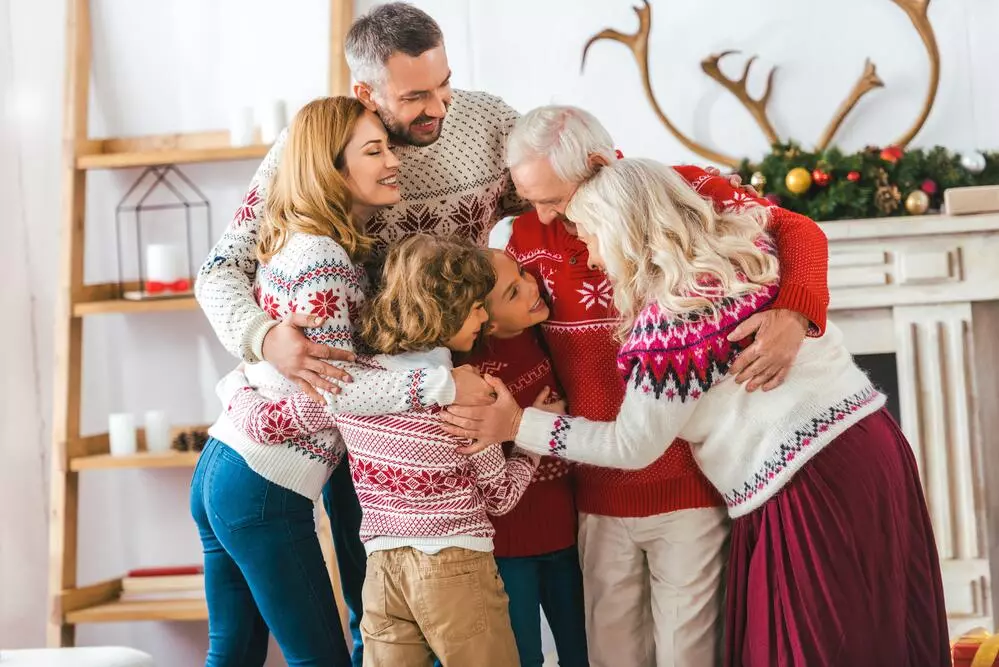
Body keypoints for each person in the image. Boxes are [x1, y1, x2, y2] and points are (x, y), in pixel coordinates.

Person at [446, 157, 950, 667]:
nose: (590, 255)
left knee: (819, 646)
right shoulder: (745, 248)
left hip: (803, 482)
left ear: (624, 231)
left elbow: (631, 445)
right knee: (881, 628)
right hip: (872, 443)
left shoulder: (672, 326)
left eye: (591, 235)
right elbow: (799, 231)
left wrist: (516, 424)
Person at [195, 7, 529, 662]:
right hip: (365, 423)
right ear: (366, 95)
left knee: (454, 608)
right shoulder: (314, 154)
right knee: (373, 621)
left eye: (444, 85)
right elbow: (218, 271)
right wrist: (266, 337)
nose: (439, 107)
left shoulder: (487, 121)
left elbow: (584, 179)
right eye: (415, 97)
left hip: (443, 416)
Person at [219, 235, 542, 667]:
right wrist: (530, 444)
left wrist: (237, 382)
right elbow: (499, 497)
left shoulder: (349, 382)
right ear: (441, 310)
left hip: (382, 573)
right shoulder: (466, 393)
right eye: (474, 304)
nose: (483, 315)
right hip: (456, 567)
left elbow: (264, 424)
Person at [458, 250, 587, 667]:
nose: (533, 286)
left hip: (568, 531)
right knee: (524, 655)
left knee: (582, 649)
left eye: (523, 273)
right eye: (514, 291)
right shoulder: (472, 371)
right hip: (508, 544)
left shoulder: (548, 331)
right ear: (485, 319)